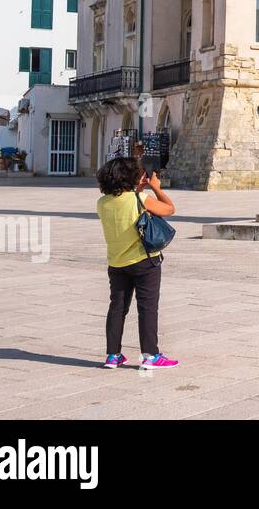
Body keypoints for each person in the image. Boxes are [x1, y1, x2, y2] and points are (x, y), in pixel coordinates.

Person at [95, 156, 179, 369]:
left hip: (116, 263)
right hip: (144, 262)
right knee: (147, 308)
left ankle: (113, 355)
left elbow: (124, 205)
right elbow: (169, 209)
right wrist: (156, 188)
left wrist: (138, 190)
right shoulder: (139, 199)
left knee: (117, 308)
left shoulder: (102, 203)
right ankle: (150, 355)